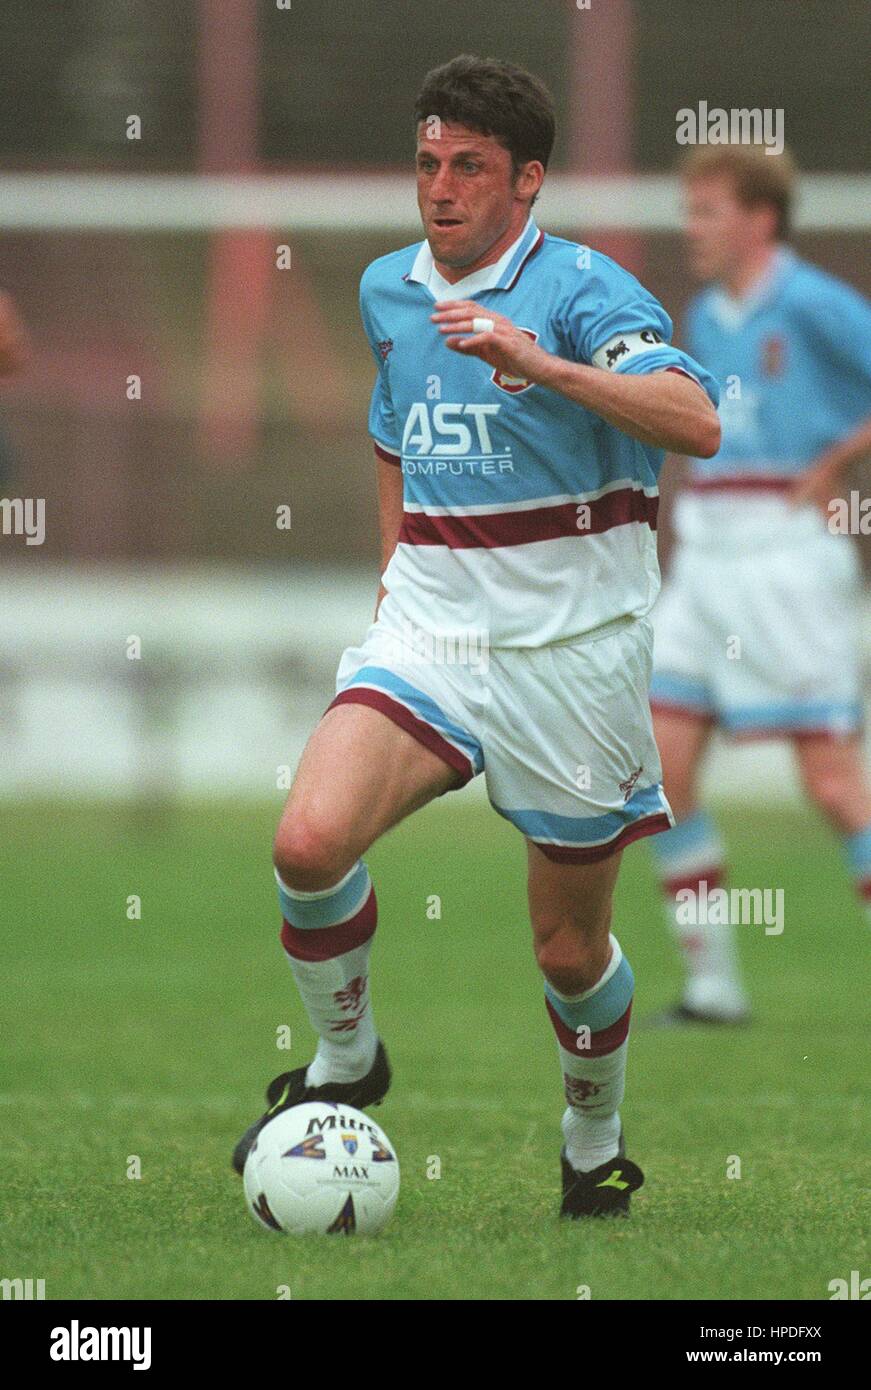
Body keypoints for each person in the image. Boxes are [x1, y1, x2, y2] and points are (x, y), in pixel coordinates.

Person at [233, 55, 720, 1218]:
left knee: (566, 951)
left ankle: (590, 1135)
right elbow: (396, 439)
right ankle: (349, 1059)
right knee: (306, 842)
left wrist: (537, 364)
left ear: (527, 181)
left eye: (468, 167)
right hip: (434, 626)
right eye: (425, 163)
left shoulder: (587, 292)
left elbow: (695, 420)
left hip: (575, 656)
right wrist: (395, 574)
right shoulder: (386, 290)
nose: (439, 188)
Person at [649, 146, 871, 1025]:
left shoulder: (814, 303)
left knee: (830, 785)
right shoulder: (705, 313)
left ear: (759, 219)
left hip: (784, 560)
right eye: (688, 209)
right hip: (706, 560)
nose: (691, 227)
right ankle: (712, 987)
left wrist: (837, 463)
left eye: (706, 211)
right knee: (660, 773)